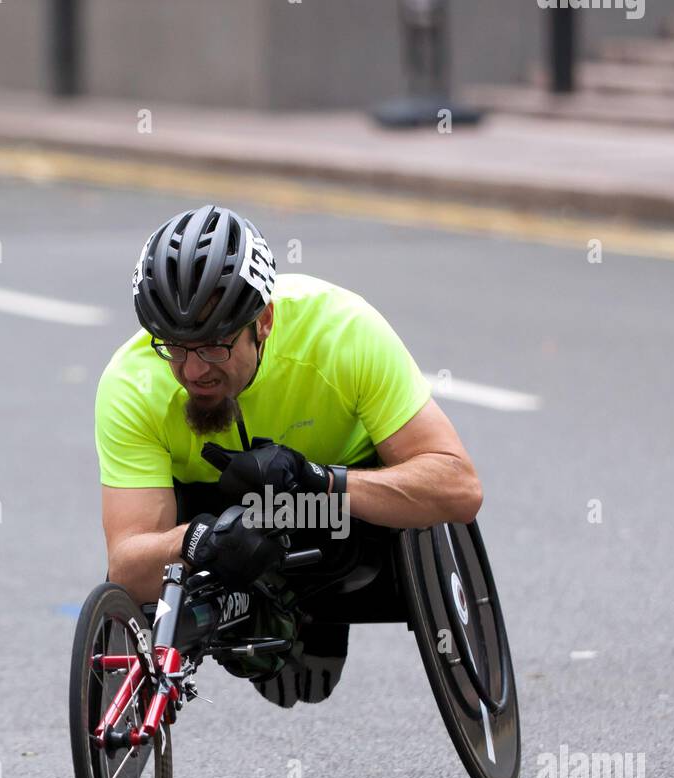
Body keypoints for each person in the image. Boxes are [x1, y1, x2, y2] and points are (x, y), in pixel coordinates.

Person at [95, 203, 482, 706]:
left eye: (213, 346)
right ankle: (259, 616)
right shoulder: (131, 383)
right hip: (214, 517)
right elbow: (127, 565)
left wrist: (322, 480)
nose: (193, 371)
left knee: (323, 548)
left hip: (339, 512)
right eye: (174, 346)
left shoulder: (342, 332)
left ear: (265, 321)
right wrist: (196, 541)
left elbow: (459, 487)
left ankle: (317, 615)